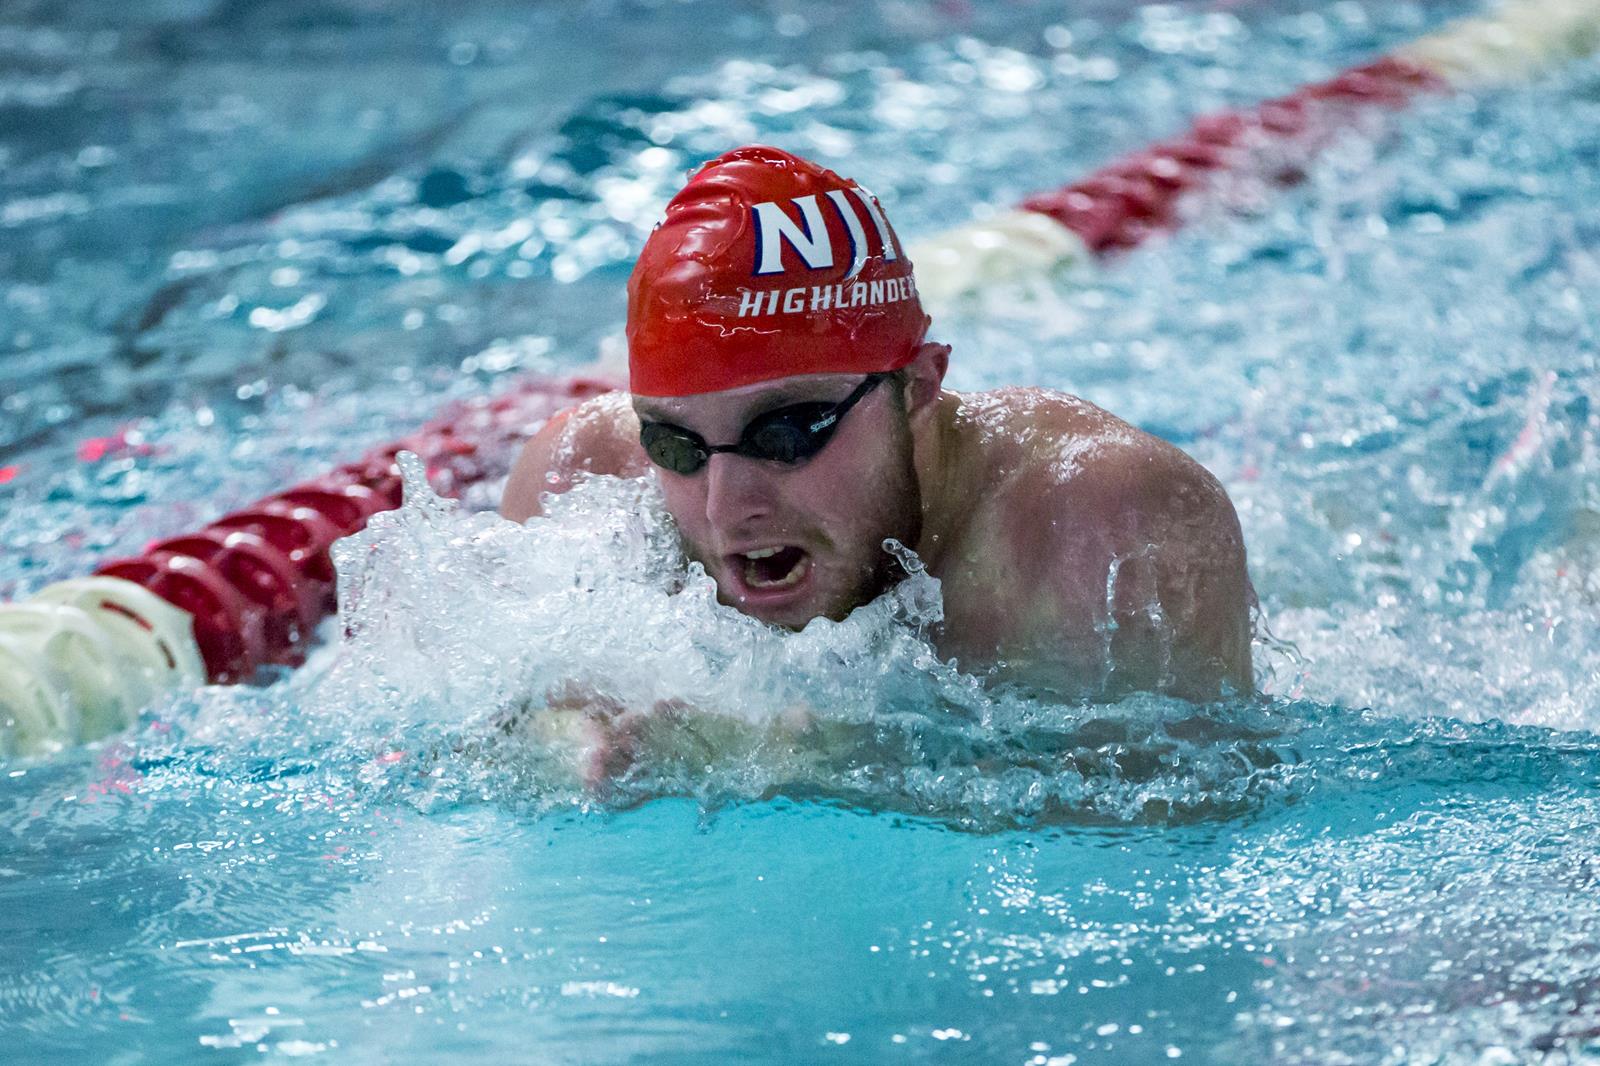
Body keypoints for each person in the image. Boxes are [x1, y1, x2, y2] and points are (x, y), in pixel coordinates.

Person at [502, 145, 1254, 705]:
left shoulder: (1105, 526)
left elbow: (1180, 823)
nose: (726, 508)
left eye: (789, 432)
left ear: (920, 386)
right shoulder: (581, 484)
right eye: (677, 445)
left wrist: (777, 756)